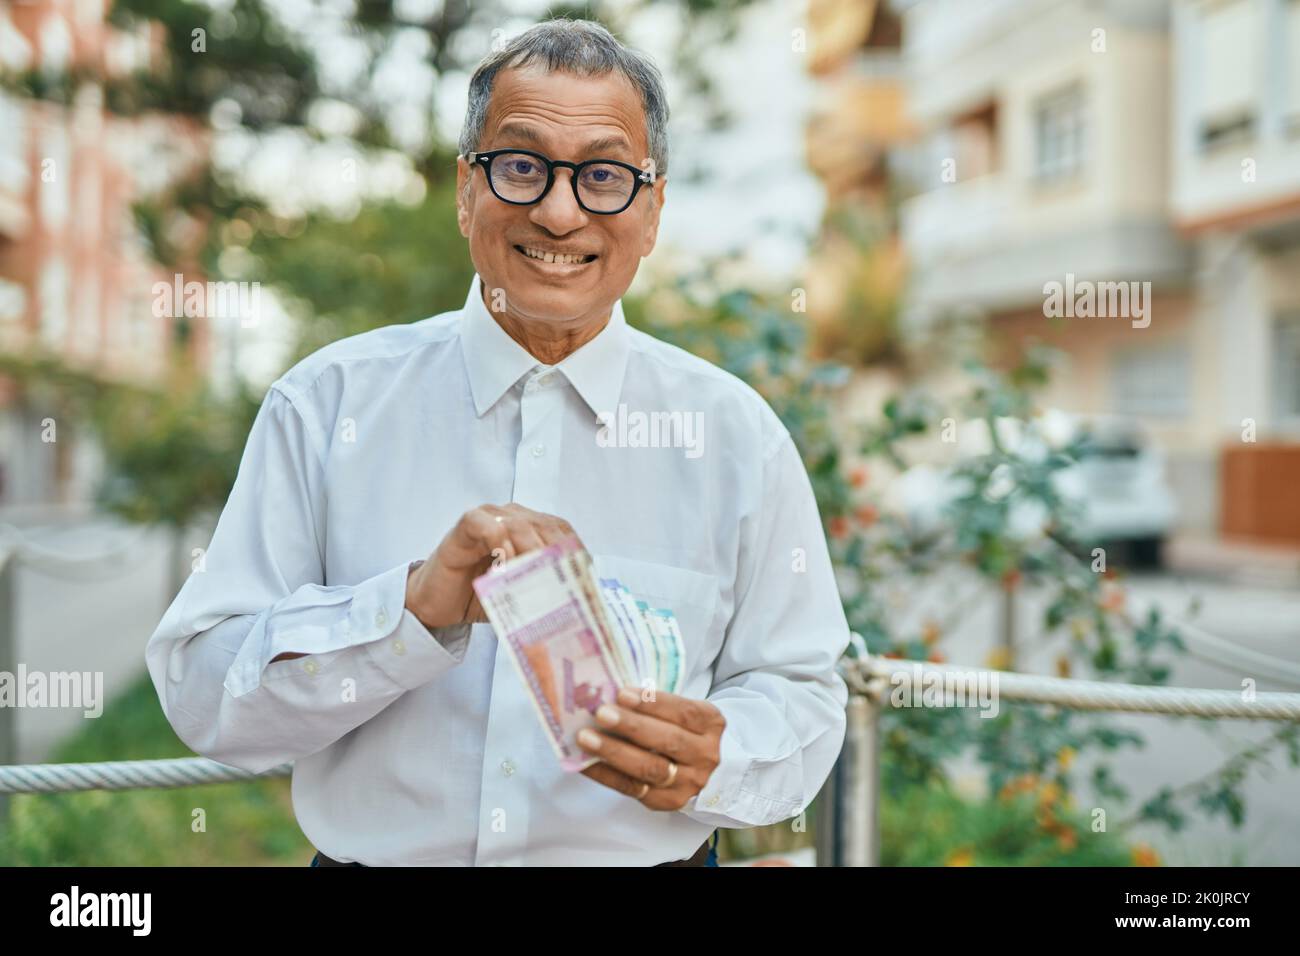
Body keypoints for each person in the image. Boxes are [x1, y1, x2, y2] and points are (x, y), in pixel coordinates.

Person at [145, 17, 848, 866]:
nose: (558, 211)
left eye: (604, 174)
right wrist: (410, 609)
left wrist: (720, 753)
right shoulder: (325, 404)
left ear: (653, 206)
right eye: (520, 166)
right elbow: (206, 692)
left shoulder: (738, 438)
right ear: (466, 190)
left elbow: (804, 692)